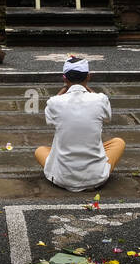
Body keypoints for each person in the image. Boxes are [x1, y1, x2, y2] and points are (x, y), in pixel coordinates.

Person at [35, 57, 125, 192]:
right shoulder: (100, 99)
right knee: (118, 142)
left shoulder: (55, 102)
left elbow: (50, 117)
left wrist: (65, 88)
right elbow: (107, 117)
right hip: (96, 178)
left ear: (64, 78)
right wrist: (85, 87)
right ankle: (93, 172)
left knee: (40, 150)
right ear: (88, 77)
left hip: (62, 178)